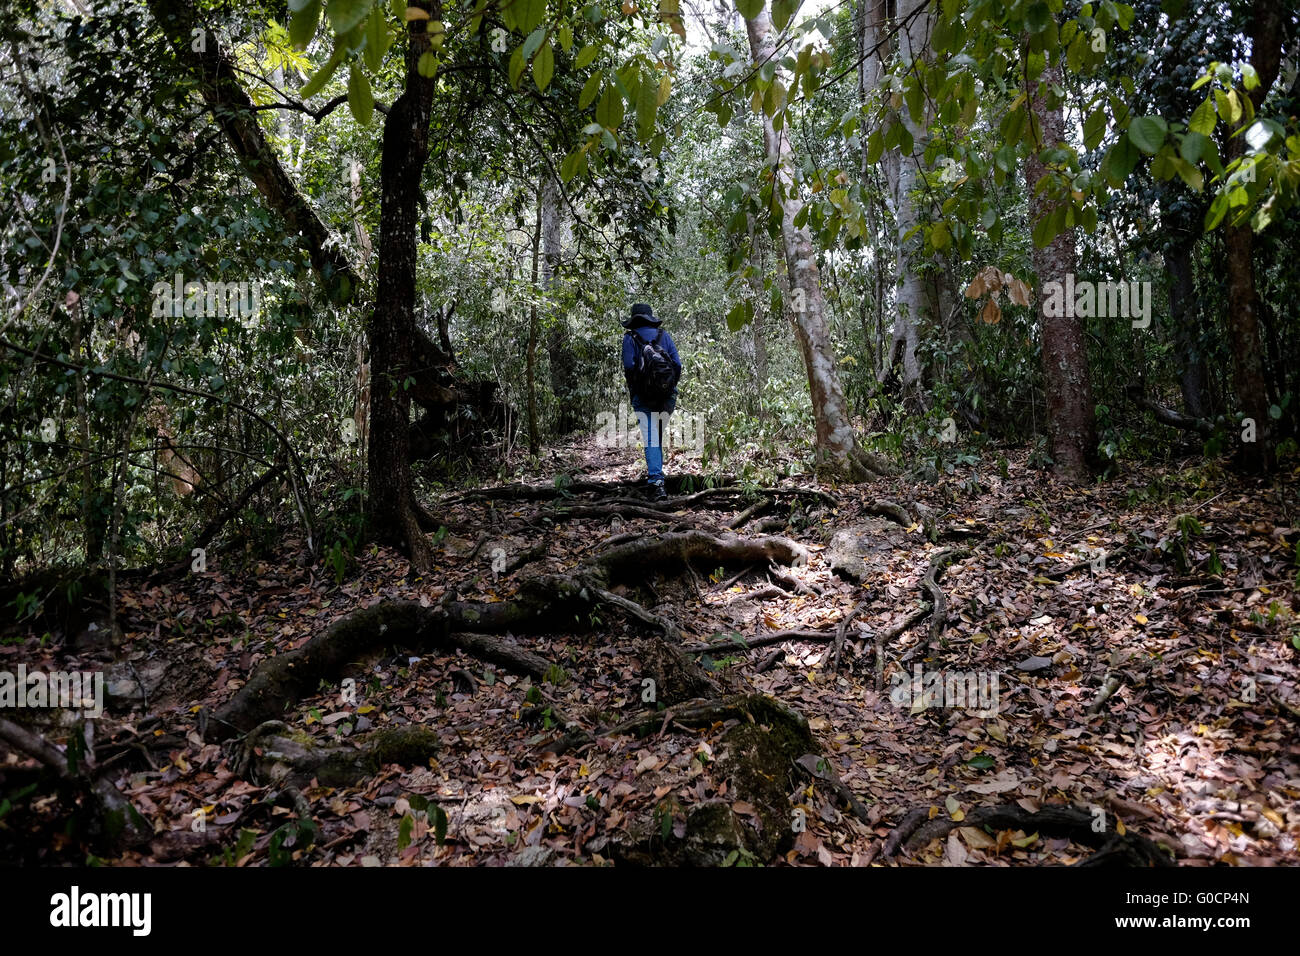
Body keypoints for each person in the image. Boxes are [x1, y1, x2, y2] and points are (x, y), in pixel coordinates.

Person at [621, 302, 681, 500]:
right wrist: (667, 387)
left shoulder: (630, 338)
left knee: (651, 438)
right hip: (667, 397)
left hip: (643, 397)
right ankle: (658, 477)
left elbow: (629, 367)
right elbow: (677, 365)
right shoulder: (664, 336)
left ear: (634, 320)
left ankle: (656, 482)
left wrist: (637, 389)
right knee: (656, 436)